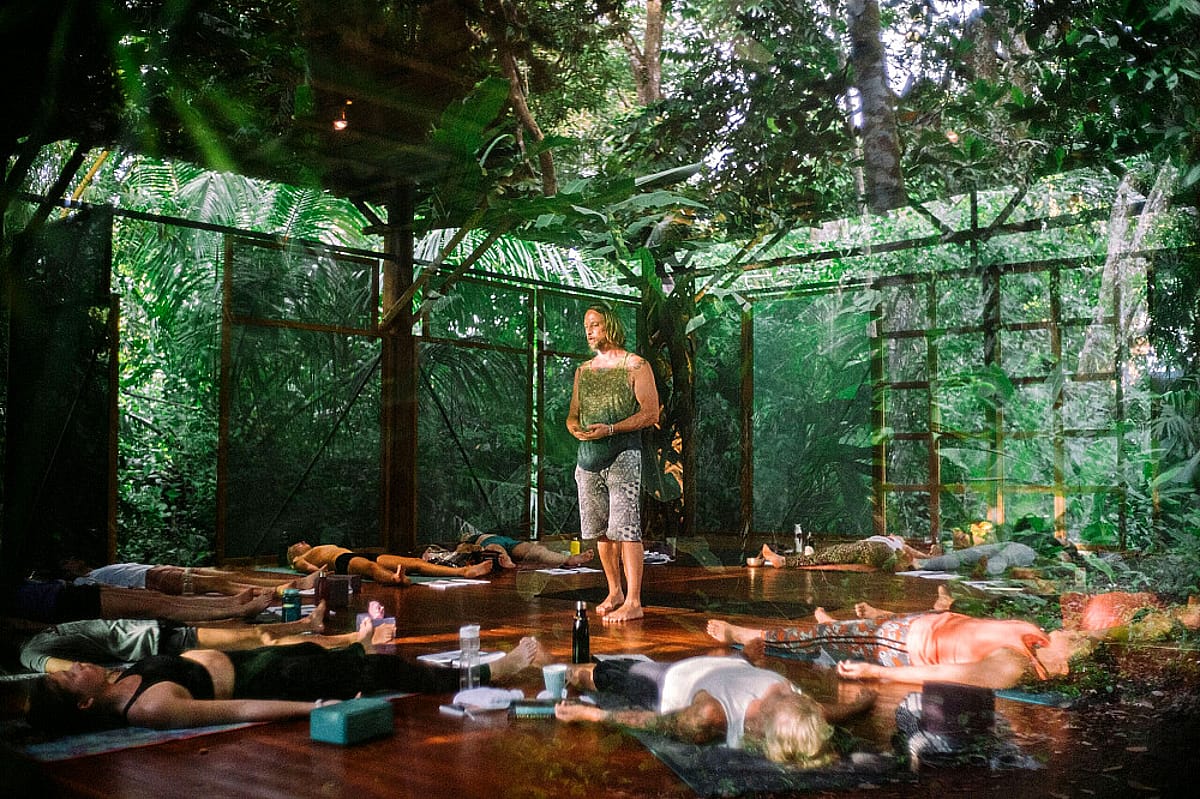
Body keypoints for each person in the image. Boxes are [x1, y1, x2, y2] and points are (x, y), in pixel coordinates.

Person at [25, 632, 544, 734]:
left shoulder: (122, 679)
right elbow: (238, 710)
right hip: (282, 679)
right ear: (88, 703)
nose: (75, 666)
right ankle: (491, 672)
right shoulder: (148, 708)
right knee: (385, 672)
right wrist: (312, 708)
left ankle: (481, 669)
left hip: (268, 659)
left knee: (365, 659)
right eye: (72, 678)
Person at [706, 587, 1093, 690]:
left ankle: (747, 635)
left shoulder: (1017, 664)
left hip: (903, 644)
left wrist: (880, 676)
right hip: (922, 624)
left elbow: (950, 675)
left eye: (1071, 637)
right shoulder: (1036, 640)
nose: (1067, 630)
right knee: (838, 630)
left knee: (821, 637)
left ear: (1064, 661)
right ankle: (841, 625)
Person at [553, 655, 876, 767]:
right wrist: (862, 702)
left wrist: (595, 715)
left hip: (668, 679)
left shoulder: (711, 716)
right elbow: (828, 712)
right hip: (724, 665)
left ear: (761, 725)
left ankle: (554, 666)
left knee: (595, 674)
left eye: (786, 698)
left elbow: (656, 723)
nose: (789, 691)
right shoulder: (799, 709)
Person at [565, 303, 660, 623]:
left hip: (623, 456)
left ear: (611, 326)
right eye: (586, 325)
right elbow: (573, 412)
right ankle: (614, 591)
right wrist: (573, 427)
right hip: (588, 459)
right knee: (601, 532)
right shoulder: (584, 371)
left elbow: (651, 413)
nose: (588, 330)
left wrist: (611, 429)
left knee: (627, 529)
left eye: (594, 324)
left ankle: (634, 601)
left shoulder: (635, 365)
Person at [19, 601, 395, 673]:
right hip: (161, 645)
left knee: (259, 634)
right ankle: (353, 643)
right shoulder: (32, 650)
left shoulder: (47, 632)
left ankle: (334, 634)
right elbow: (75, 670)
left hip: (161, 633)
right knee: (264, 643)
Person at [1, 578, 274, 625]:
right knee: (158, 607)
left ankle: (230, 604)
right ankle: (235, 611)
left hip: (63, 593)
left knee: (156, 597)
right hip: (61, 608)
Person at [62, 560, 321, 598]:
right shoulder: (81, 584)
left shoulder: (96, 571)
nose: (74, 561)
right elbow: (109, 592)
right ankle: (279, 591)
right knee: (220, 585)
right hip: (154, 580)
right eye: (68, 563)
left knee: (224, 577)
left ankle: (292, 585)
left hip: (158, 571)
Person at [286, 541, 494, 585]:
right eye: (298, 544)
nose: (302, 542)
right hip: (340, 561)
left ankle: (464, 571)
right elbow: (304, 568)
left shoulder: (317, 546)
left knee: (414, 562)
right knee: (371, 569)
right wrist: (318, 572)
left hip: (355, 554)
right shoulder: (298, 558)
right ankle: (395, 579)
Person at [760, 535, 932, 571]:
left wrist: (927, 557)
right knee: (831, 554)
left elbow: (911, 551)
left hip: (875, 549)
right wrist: (928, 557)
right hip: (878, 552)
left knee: (830, 553)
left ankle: (783, 561)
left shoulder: (896, 542)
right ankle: (784, 561)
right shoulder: (895, 543)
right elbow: (913, 553)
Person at [431, 533, 596, 570]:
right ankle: (507, 561)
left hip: (508, 542)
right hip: (494, 542)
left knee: (537, 550)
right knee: (496, 548)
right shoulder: (466, 543)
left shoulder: (473, 536)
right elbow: (462, 551)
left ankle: (567, 560)